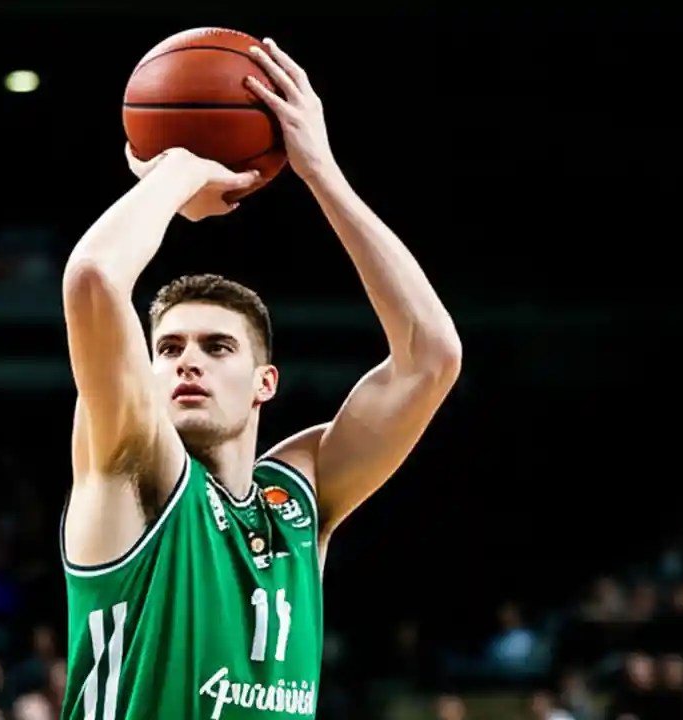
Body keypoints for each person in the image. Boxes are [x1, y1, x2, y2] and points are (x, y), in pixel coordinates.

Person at [59, 37, 461, 719]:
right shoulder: (132, 471)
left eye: (217, 347)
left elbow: (431, 358)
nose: (186, 359)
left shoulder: (299, 500)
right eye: (168, 348)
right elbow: (95, 278)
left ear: (264, 383)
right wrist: (178, 170)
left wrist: (321, 172)